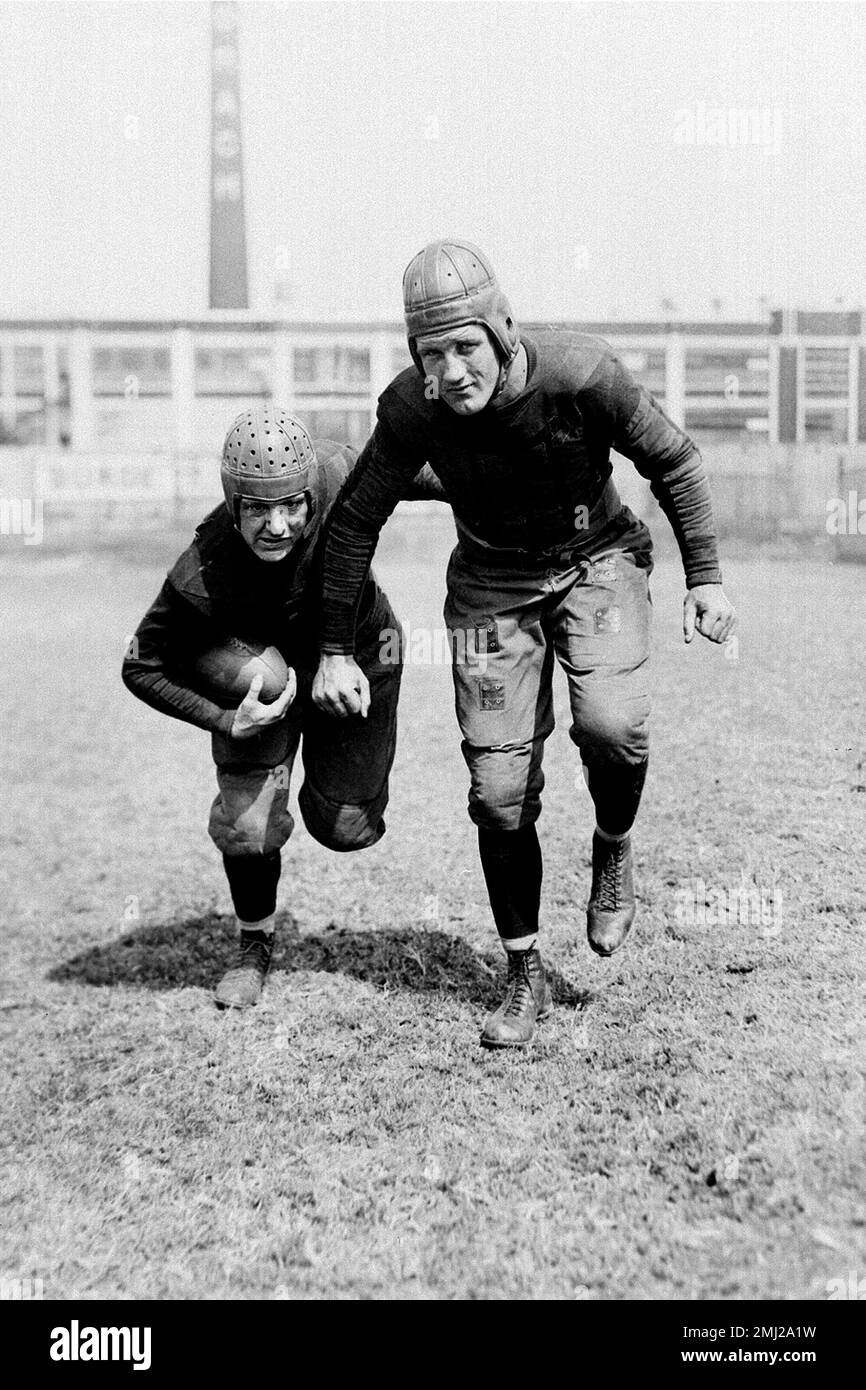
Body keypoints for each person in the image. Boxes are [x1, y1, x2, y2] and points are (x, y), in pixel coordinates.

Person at [313, 239, 737, 1049]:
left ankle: (612, 846)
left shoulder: (581, 373)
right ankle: (522, 969)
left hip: (597, 559)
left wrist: (706, 579)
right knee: (499, 789)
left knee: (612, 727)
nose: (452, 370)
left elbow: (675, 461)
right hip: (490, 582)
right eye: (431, 353)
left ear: (504, 329)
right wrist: (335, 649)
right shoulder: (411, 408)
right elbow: (355, 522)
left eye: (466, 345)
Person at [122, 406, 444, 1009]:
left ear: (310, 491)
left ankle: (334, 785)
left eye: (291, 505)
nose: (278, 525)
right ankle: (253, 943)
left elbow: (415, 470)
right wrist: (226, 720)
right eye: (257, 509)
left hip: (357, 653)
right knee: (247, 827)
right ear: (232, 501)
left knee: (347, 828)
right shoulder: (204, 566)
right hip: (265, 684)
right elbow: (139, 664)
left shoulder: (335, 471)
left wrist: (493, 488)